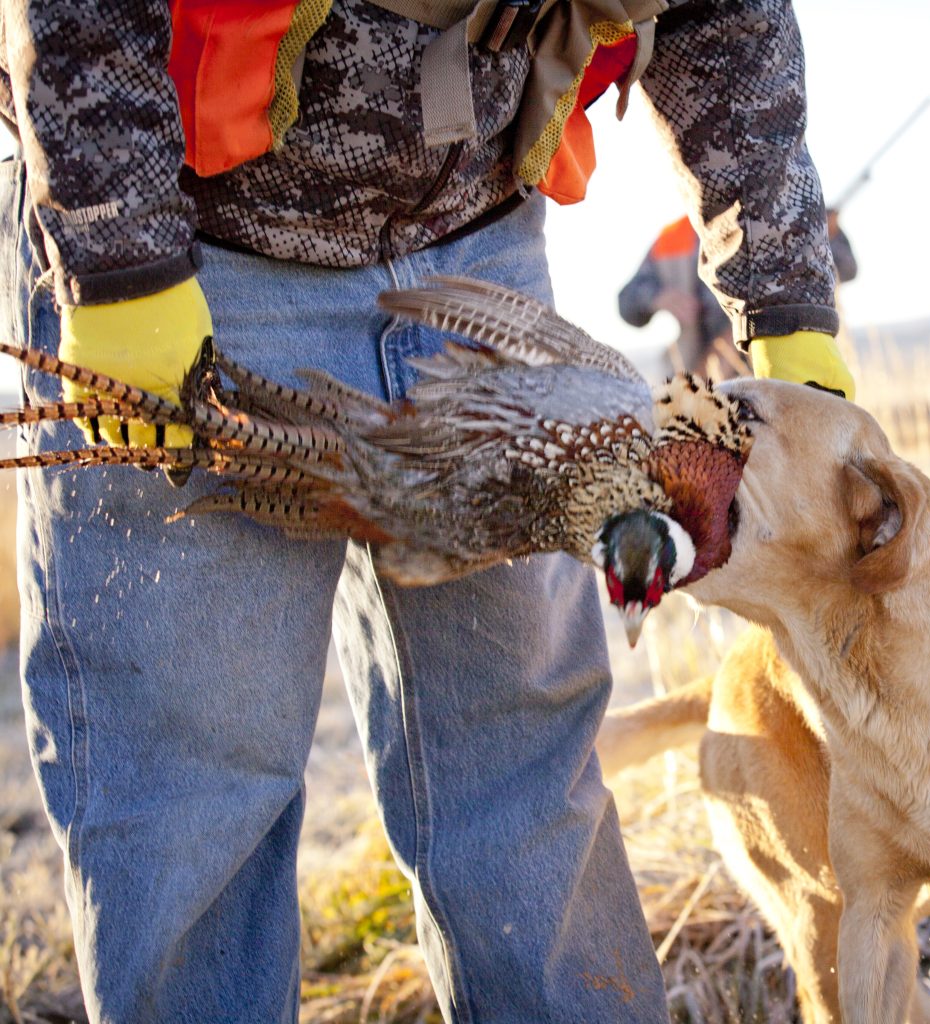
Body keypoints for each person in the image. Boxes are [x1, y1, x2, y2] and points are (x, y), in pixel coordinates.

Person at [0, 1, 853, 1020]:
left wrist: (786, 301)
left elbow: (723, 14)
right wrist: (120, 251)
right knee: (190, 812)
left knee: (529, 777)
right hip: (195, 243)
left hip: (477, 236)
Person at [620, 209, 857, 378]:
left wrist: (824, 234)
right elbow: (626, 304)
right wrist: (658, 296)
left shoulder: (783, 216)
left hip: (775, 382)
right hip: (697, 381)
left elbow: (846, 268)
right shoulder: (673, 238)